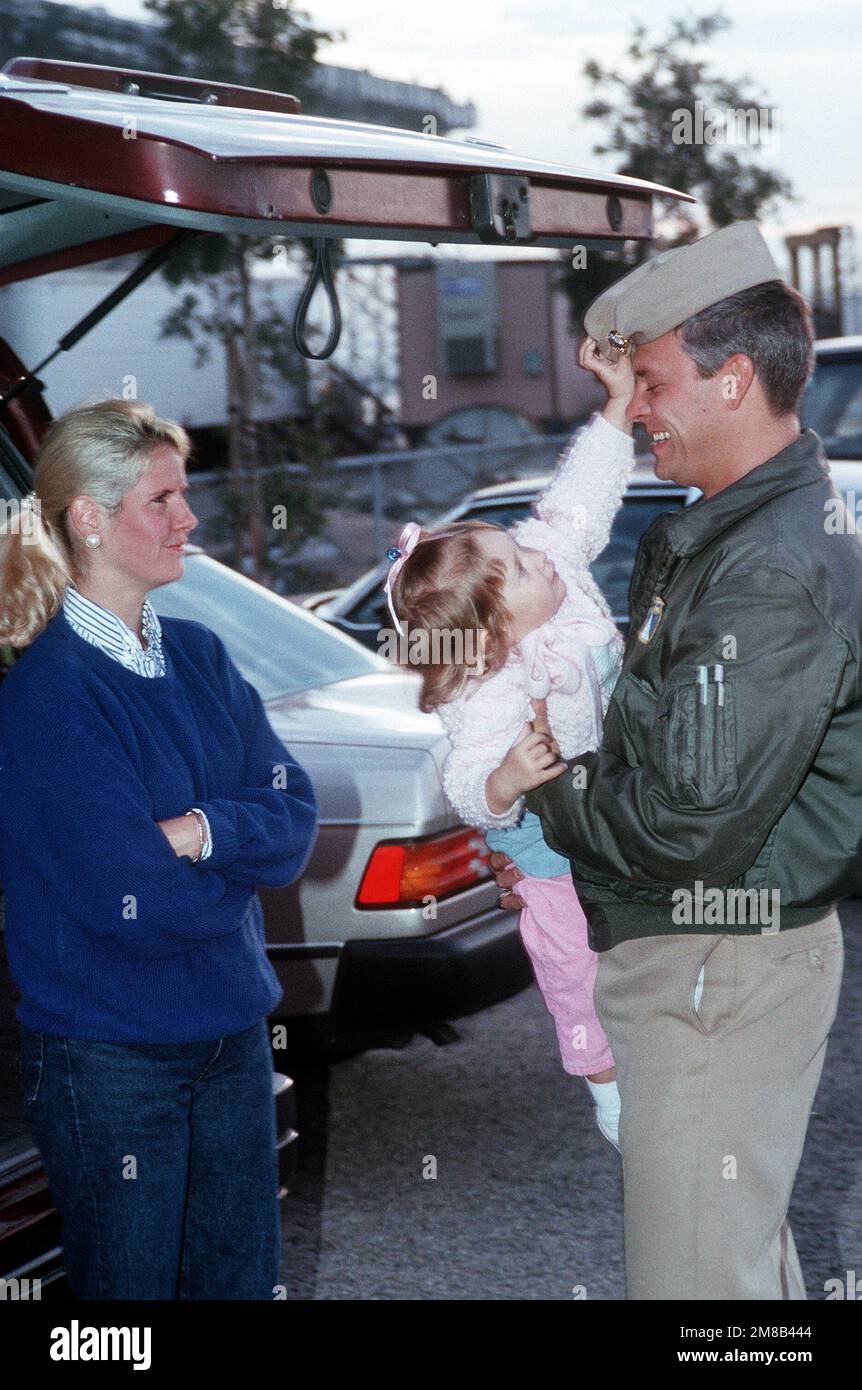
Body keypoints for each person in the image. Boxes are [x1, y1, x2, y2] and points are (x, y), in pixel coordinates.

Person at [492, 220, 862, 1300]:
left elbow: (684, 827)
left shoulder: (758, 565)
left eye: (647, 382)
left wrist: (542, 799)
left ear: (733, 380)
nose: (633, 407)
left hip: (715, 958)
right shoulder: (756, 520)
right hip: (723, 950)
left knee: (698, 1287)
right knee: (733, 1266)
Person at [0, 399, 319, 1300]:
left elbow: (295, 818)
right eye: (162, 500)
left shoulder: (203, 656)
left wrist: (202, 834)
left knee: (239, 1285)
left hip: (232, 1038)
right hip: (110, 1058)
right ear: (89, 519)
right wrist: (236, 873)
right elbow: (128, 906)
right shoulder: (49, 695)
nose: (188, 518)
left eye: (184, 494)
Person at [381, 337, 690, 1152]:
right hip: (544, 837)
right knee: (568, 957)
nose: (538, 562)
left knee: (647, 921)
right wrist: (506, 780)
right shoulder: (486, 684)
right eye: (518, 569)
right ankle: (608, 1089)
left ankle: (673, 1034)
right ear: (490, 628)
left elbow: (575, 504)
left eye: (519, 552)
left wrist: (616, 408)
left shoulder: (555, 575)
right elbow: (464, 780)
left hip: (608, 798)